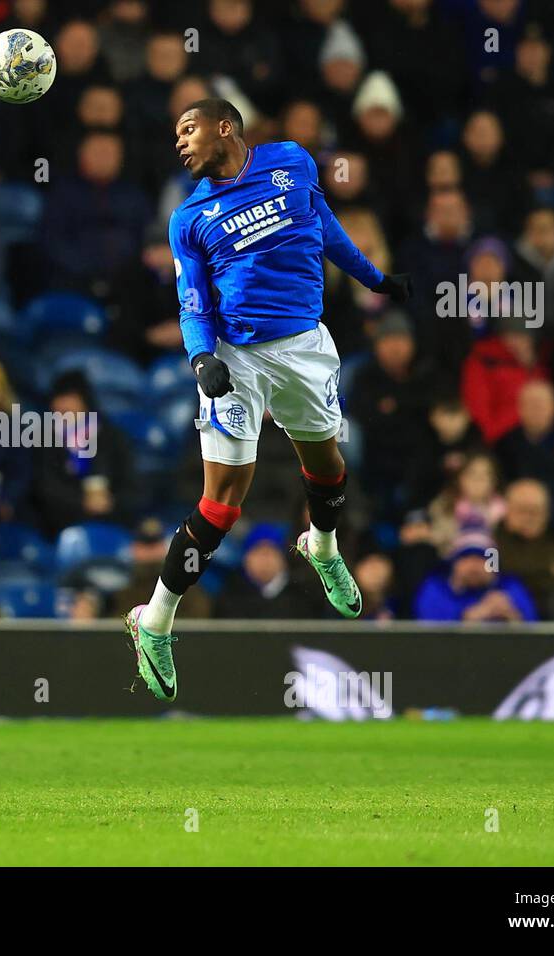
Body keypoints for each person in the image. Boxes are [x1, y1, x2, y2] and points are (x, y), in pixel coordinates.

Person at [123, 97, 411, 702]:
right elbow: (192, 299)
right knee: (222, 505)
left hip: (305, 344)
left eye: (188, 129)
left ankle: (322, 548)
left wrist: (372, 279)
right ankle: (155, 621)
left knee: (328, 468)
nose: (179, 142)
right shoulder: (189, 217)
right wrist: (202, 357)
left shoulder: (292, 162)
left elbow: (324, 227)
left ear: (224, 127)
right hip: (237, 355)